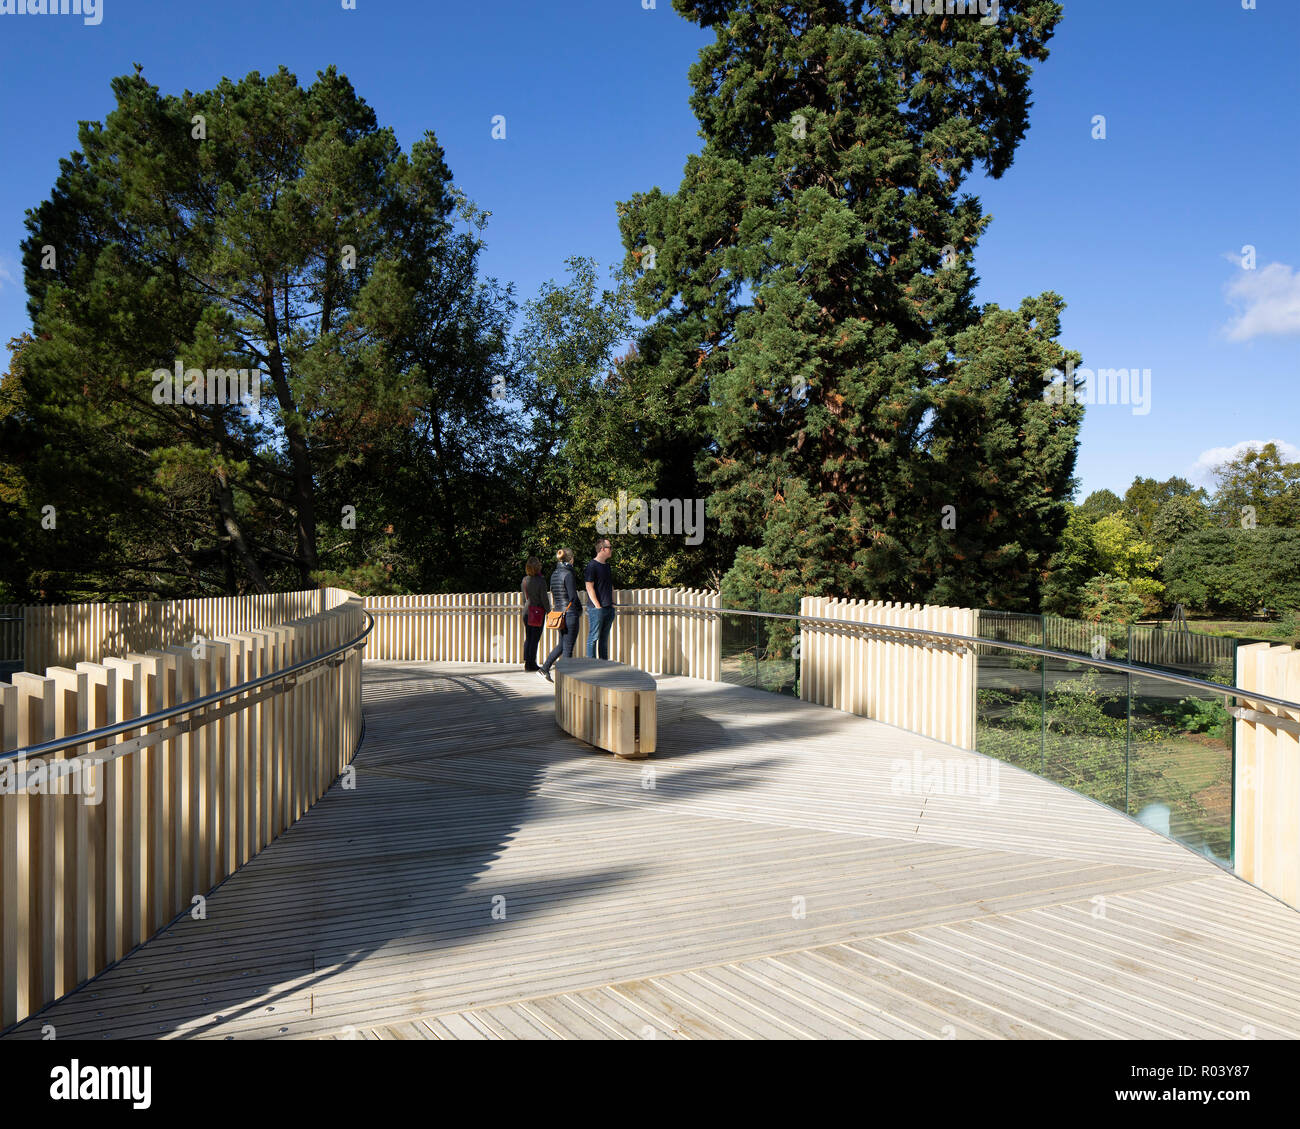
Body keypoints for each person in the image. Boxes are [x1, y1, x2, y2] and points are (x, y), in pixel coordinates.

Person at [538, 547, 580, 682]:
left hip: (559, 614)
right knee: (568, 649)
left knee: (562, 645)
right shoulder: (568, 574)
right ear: (571, 559)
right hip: (570, 614)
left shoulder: (554, 574)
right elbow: (573, 596)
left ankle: (544, 668)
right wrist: (579, 609)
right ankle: (566, 681)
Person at [584, 536, 615, 660]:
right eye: (610, 547)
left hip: (608, 607)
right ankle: (591, 667)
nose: (611, 550)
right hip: (596, 609)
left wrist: (612, 603)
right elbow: (589, 587)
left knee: (604, 639)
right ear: (602, 549)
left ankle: (604, 666)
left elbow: (609, 585)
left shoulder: (607, 566)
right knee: (593, 637)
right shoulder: (592, 566)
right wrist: (598, 606)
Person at [520, 556, 547, 672]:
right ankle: (532, 663)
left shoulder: (524, 580)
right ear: (537, 567)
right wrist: (549, 611)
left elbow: (523, 598)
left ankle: (527, 662)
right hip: (537, 613)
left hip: (526, 611)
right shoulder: (541, 581)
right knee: (535, 638)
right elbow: (544, 599)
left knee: (529, 637)